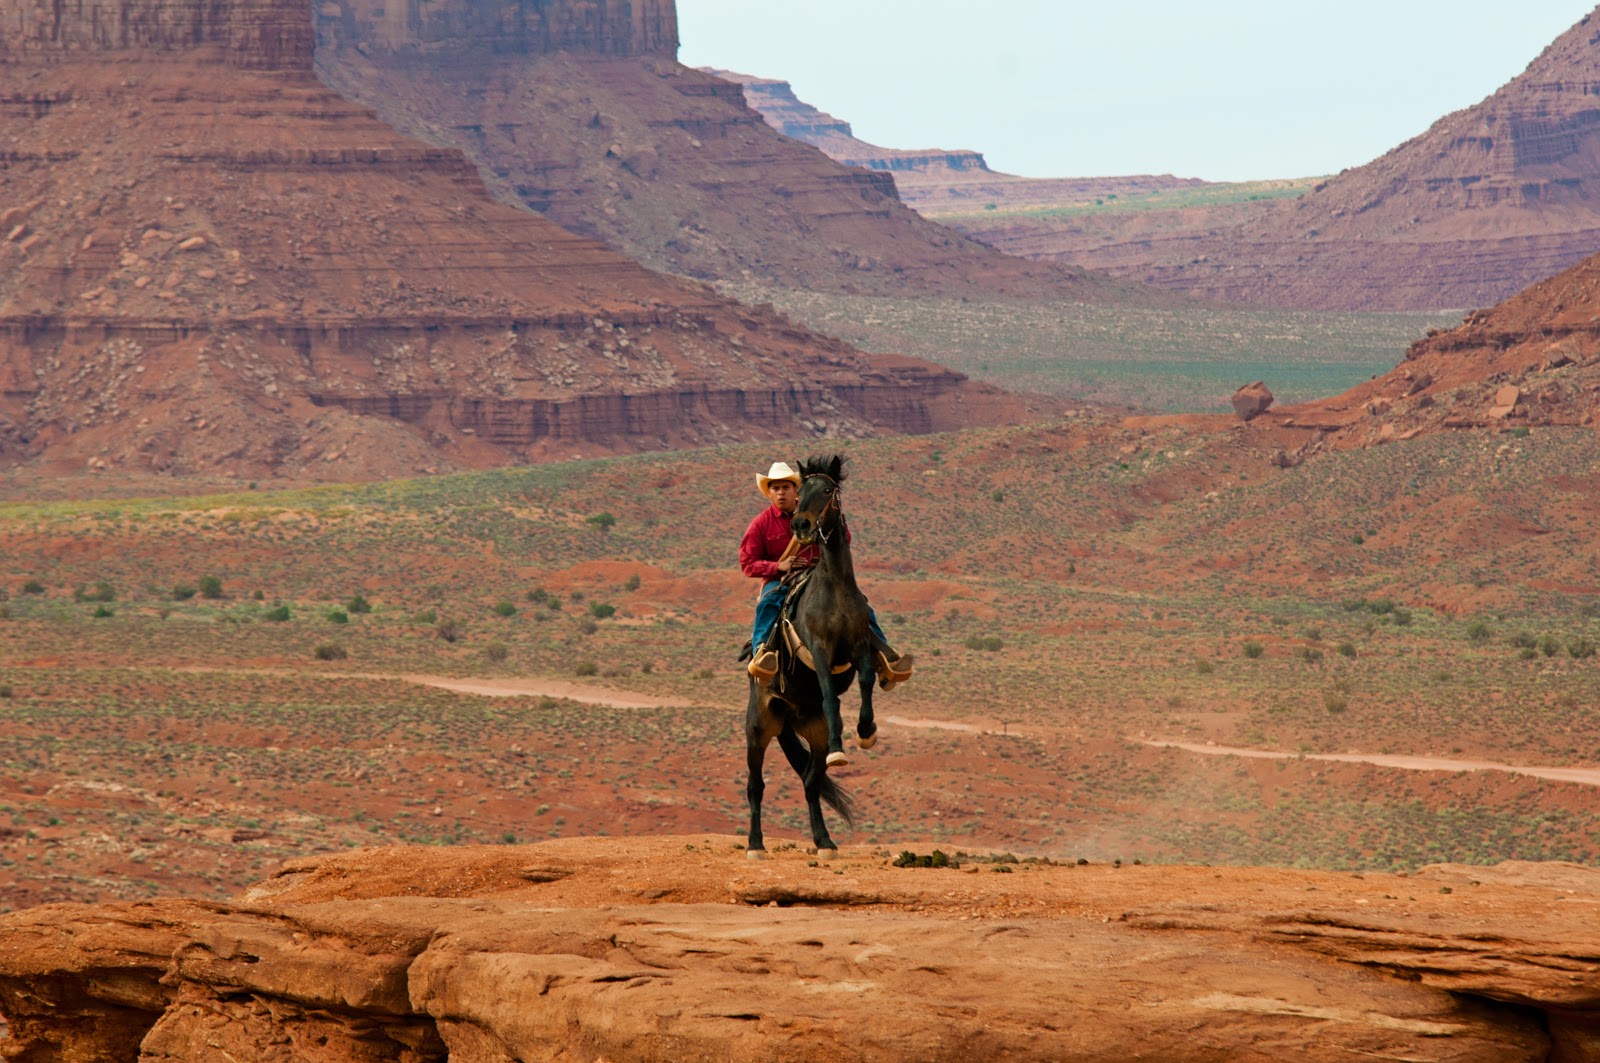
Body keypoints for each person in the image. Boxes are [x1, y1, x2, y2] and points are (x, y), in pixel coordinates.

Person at [739, 460, 912, 688]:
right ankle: (762, 654)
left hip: (819, 576)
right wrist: (777, 567)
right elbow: (747, 563)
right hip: (780, 580)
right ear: (769, 493)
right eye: (775, 488)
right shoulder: (761, 524)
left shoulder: (815, 512)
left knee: (860, 606)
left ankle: (884, 657)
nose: (781, 493)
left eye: (786, 487)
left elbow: (843, 540)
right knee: (769, 603)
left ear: (795, 490)